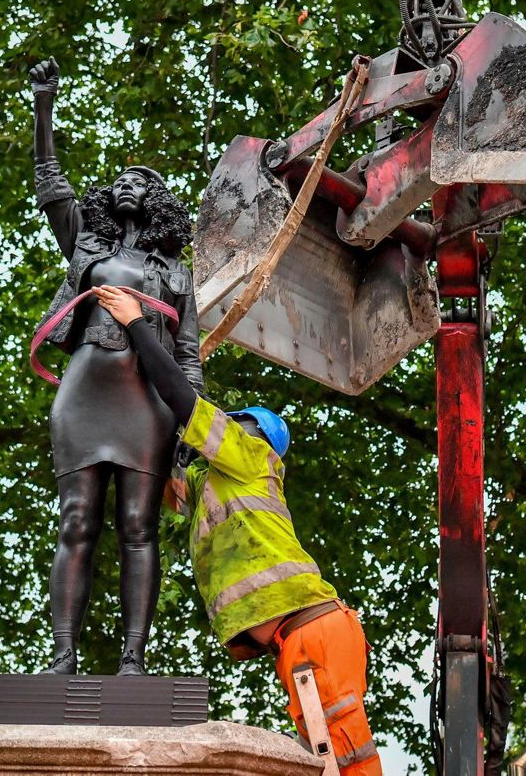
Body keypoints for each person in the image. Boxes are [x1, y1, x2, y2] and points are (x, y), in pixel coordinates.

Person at [94, 284, 382, 776]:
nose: (219, 425)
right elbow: (159, 470)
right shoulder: (213, 484)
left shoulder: (253, 457)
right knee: (328, 757)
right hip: (301, 638)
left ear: (251, 432)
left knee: (345, 755)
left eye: (231, 421)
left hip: (315, 631)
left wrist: (136, 324)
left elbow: (182, 401)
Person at [29, 57, 203, 676]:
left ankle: (133, 660)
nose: (128, 182)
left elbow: (188, 358)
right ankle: (63, 658)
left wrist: (191, 432)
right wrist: (44, 105)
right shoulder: (85, 244)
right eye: (121, 177)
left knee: (137, 527)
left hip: (146, 405)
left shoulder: (178, 274)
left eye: (142, 179)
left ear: (157, 202)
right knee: (76, 520)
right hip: (84, 390)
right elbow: (50, 183)